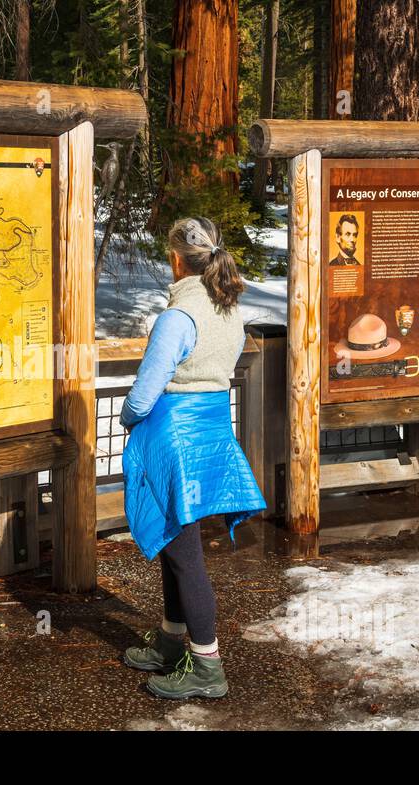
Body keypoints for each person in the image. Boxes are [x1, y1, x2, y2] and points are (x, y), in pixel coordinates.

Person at [118, 216, 266, 700]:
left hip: (174, 438)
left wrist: (130, 417)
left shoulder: (178, 318)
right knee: (175, 543)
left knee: (185, 555)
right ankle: (169, 640)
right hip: (210, 432)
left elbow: (147, 390)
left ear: (175, 259)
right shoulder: (228, 310)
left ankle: (206, 665)